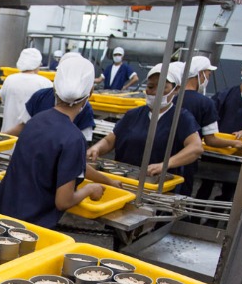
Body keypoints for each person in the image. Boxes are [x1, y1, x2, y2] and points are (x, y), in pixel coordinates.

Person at [0, 56, 105, 227]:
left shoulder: (35, 121)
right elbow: (63, 201)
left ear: (54, 88)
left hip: (4, 211)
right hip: (30, 225)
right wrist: (90, 189)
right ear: (90, 93)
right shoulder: (73, 138)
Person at [87, 63, 203, 195]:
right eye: (150, 87)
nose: (154, 92)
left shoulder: (181, 118)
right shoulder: (133, 114)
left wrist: (165, 165)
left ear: (176, 89)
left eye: (162, 87)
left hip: (156, 186)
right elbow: (110, 141)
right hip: (123, 182)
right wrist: (96, 148)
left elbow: (195, 148)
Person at [5, 52, 97, 142]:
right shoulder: (40, 96)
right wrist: (2, 136)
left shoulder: (85, 108)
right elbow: (23, 126)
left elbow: (84, 140)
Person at [172, 58, 242, 153]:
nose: (208, 79)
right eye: (208, 75)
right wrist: (234, 143)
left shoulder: (171, 97)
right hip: (186, 156)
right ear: (200, 74)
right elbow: (210, 140)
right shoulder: (205, 103)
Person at [0, 48, 52, 132]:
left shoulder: (10, 79)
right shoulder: (45, 83)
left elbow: (3, 99)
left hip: (7, 133)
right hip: (30, 136)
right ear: (37, 65)